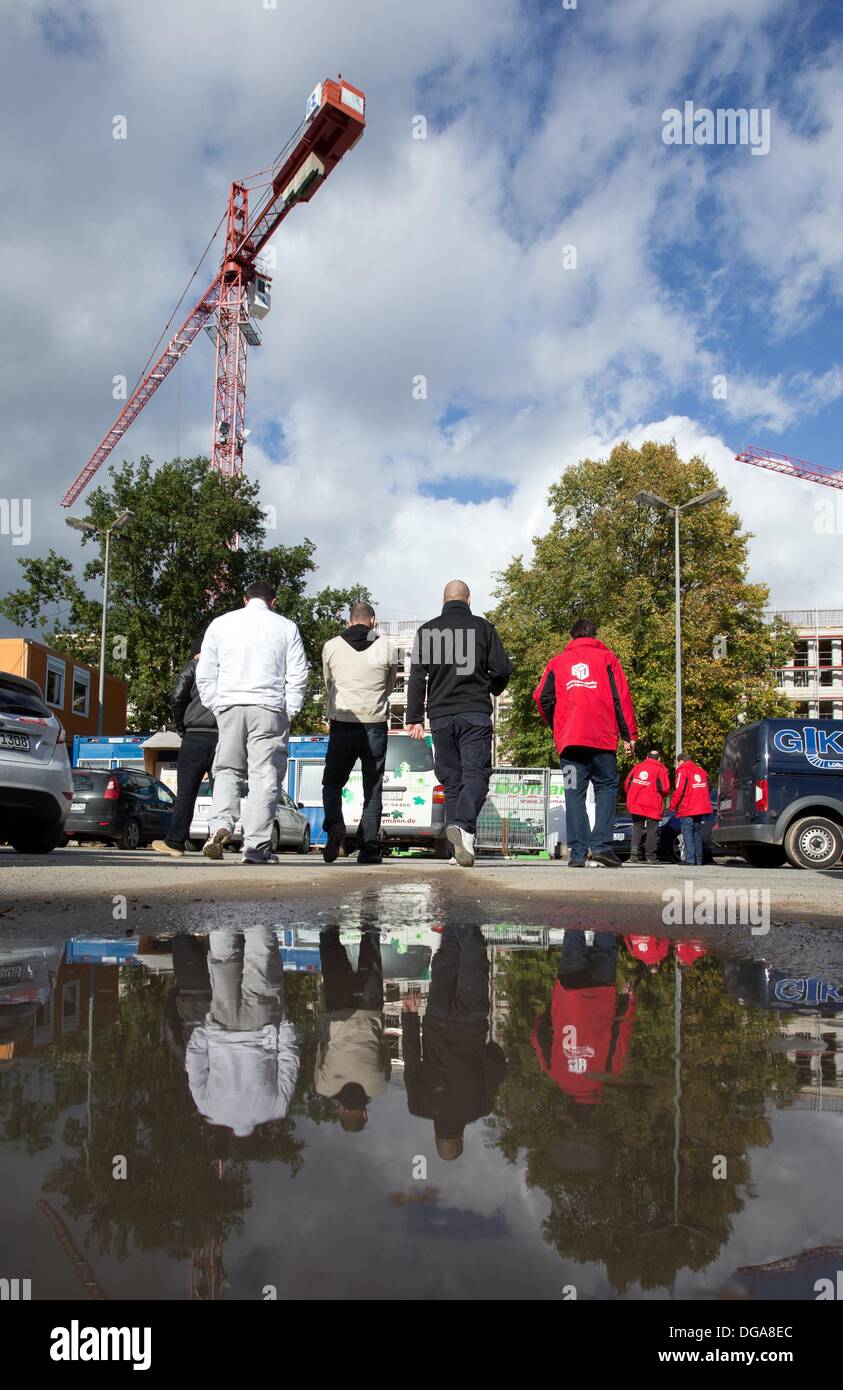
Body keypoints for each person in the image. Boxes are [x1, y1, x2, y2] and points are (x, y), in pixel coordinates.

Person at [196, 581, 308, 865]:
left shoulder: (220, 624)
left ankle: (220, 825)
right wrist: (289, 711)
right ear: (274, 601)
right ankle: (256, 847)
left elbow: (206, 670)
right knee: (263, 776)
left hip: (230, 705)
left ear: (244, 599)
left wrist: (216, 704)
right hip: (268, 707)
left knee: (227, 769)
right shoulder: (286, 627)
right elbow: (298, 674)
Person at [405, 580, 513, 868]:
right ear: (469, 600)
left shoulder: (426, 631)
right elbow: (503, 668)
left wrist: (414, 717)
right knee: (476, 774)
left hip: (440, 715)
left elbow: (417, 676)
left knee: (451, 781)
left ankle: (459, 850)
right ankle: (464, 827)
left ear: (443, 600)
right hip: (474, 712)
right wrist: (492, 687)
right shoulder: (483, 628)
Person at [533, 618, 637, 869]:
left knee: (574, 794)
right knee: (607, 787)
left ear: (572, 637)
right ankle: (601, 846)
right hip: (601, 741)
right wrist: (628, 735)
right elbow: (620, 697)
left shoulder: (557, 662)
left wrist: (557, 725)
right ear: (595, 635)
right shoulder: (608, 659)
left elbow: (541, 697)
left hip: (570, 744)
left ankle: (578, 853)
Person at [401, 924, 506, 1160]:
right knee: (446, 961)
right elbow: (411, 1058)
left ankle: (464, 916)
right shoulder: (418, 1106)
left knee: (473, 962)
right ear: (435, 1137)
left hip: (471, 1023)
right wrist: (409, 1016)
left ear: (461, 1138)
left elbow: (496, 1068)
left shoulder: (479, 1108)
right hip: (437, 1019)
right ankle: (451, 917)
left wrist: (488, 1051)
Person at [185, 926, 299, 1138]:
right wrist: (205, 1031)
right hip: (222, 1026)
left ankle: (258, 912)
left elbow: (289, 1065)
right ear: (230, 1134)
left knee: (261, 957)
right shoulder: (208, 1108)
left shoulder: (276, 1109)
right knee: (222, 962)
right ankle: (220, 914)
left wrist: (284, 1028)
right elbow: (195, 1064)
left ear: (258, 1133)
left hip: (262, 1025)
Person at [321, 602, 398, 866]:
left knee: (332, 783)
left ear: (349, 621)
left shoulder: (331, 646)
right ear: (373, 621)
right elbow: (389, 685)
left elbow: (328, 683)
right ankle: (369, 849)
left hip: (343, 723)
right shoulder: (387, 646)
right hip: (375, 724)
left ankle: (334, 826)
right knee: (373, 789)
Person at [532, 932, 636, 1105]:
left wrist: (629, 1000)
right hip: (569, 994)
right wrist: (555, 1009)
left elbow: (620, 1033)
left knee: (604, 944)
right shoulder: (554, 1072)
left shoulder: (607, 1073)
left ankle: (604, 911)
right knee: (573, 940)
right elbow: (538, 1035)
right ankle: (574, 909)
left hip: (600, 994)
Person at [314, 925, 391, 1130]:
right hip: (338, 1012)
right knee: (331, 949)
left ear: (364, 1113)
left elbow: (385, 1051)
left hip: (370, 1011)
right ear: (342, 1112)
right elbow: (321, 1049)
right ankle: (329, 914)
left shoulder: (379, 1085)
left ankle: (371, 911)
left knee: (371, 949)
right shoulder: (324, 1087)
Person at [152, 638, 218, 859]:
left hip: (195, 735)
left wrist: (181, 727)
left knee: (186, 792)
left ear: (196, 653)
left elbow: (177, 696)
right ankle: (216, 839)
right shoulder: (228, 668)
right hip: (224, 735)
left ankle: (175, 841)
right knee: (223, 792)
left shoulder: (194, 667)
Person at [624, 747, 670, 865]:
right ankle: (651, 857)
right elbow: (665, 789)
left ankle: (634, 856)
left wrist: (632, 795)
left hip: (636, 802)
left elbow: (627, 783)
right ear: (659, 759)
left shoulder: (637, 767)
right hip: (652, 804)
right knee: (652, 830)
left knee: (637, 828)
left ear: (647, 757)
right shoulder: (661, 770)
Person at [670, 752, 712, 866]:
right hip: (700, 807)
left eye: (678, 762)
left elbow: (679, 790)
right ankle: (698, 859)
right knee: (697, 832)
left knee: (687, 832)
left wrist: (673, 805)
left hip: (687, 806)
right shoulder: (701, 771)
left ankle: (689, 859)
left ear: (681, 760)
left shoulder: (682, 770)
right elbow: (710, 786)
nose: (678, 765)